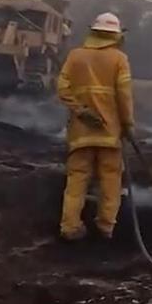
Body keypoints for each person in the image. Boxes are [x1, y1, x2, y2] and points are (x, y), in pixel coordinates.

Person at [56, 12, 135, 241]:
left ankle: (70, 227)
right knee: (110, 180)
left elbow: (62, 88)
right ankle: (105, 226)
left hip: (81, 133)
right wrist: (128, 125)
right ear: (116, 35)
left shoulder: (75, 56)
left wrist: (80, 110)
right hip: (110, 134)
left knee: (77, 180)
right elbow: (124, 96)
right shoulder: (119, 59)